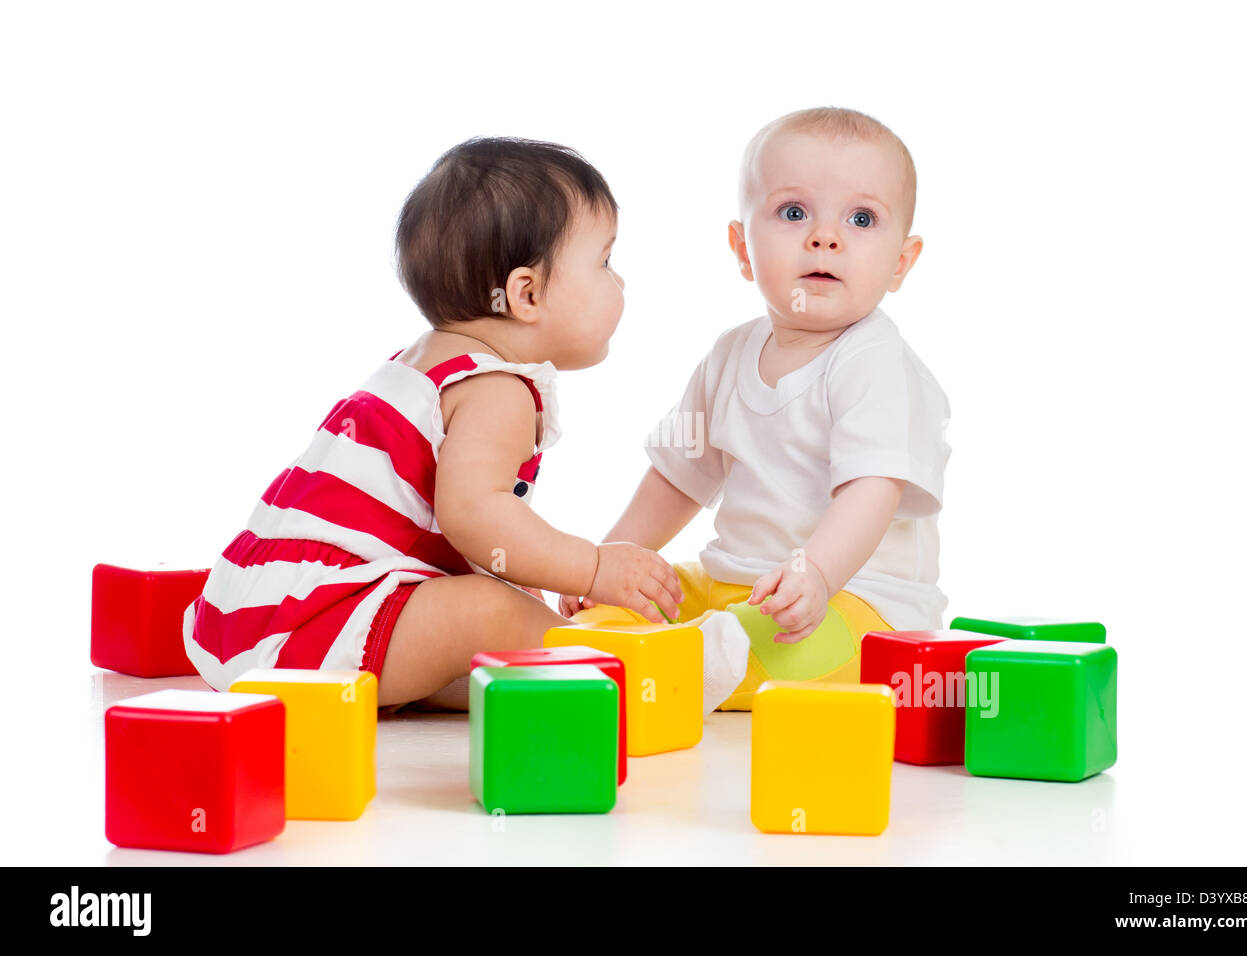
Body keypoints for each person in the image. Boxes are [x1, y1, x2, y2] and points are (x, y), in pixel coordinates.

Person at [182, 136, 689, 712]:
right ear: (525, 293)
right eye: (604, 261)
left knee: (498, 602)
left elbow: (440, 530)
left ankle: (506, 681)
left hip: (245, 619)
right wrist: (592, 567)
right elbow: (473, 515)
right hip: (303, 633)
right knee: (490, 612)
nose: (619, 283)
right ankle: (621, 688)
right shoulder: (496, 390)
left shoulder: (424, 362)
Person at [561, 108, 952, 712]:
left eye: (862, 218)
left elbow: (872, 487)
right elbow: (677, 476)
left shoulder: (874, 361)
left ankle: (670, 667)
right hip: (732, 586)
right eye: (793, 213)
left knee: (804, 650)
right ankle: (648, 654)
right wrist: (607, 565)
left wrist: (817, 576)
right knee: (640, 597)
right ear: (743, 249)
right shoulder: (729, 355)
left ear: (901, 261)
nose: (826, 237)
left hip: (855, 600)